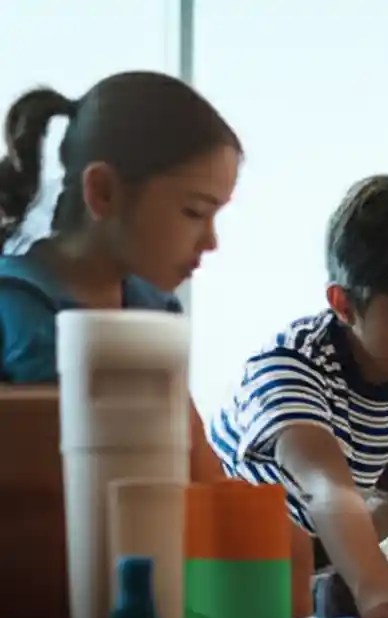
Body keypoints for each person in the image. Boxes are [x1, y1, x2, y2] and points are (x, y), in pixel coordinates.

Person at [209, 174, 388, 618]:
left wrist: (355, 573)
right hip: (225, 566)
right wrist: (374, 586)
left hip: (318, 557)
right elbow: (325, 484)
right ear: (344, 305)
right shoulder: (288, 368)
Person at [0, 71, 241, 486]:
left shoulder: (156, 310)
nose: (211, 241)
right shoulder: (17, 301)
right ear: (104, 192)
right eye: (194, 212)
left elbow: (197, 472)